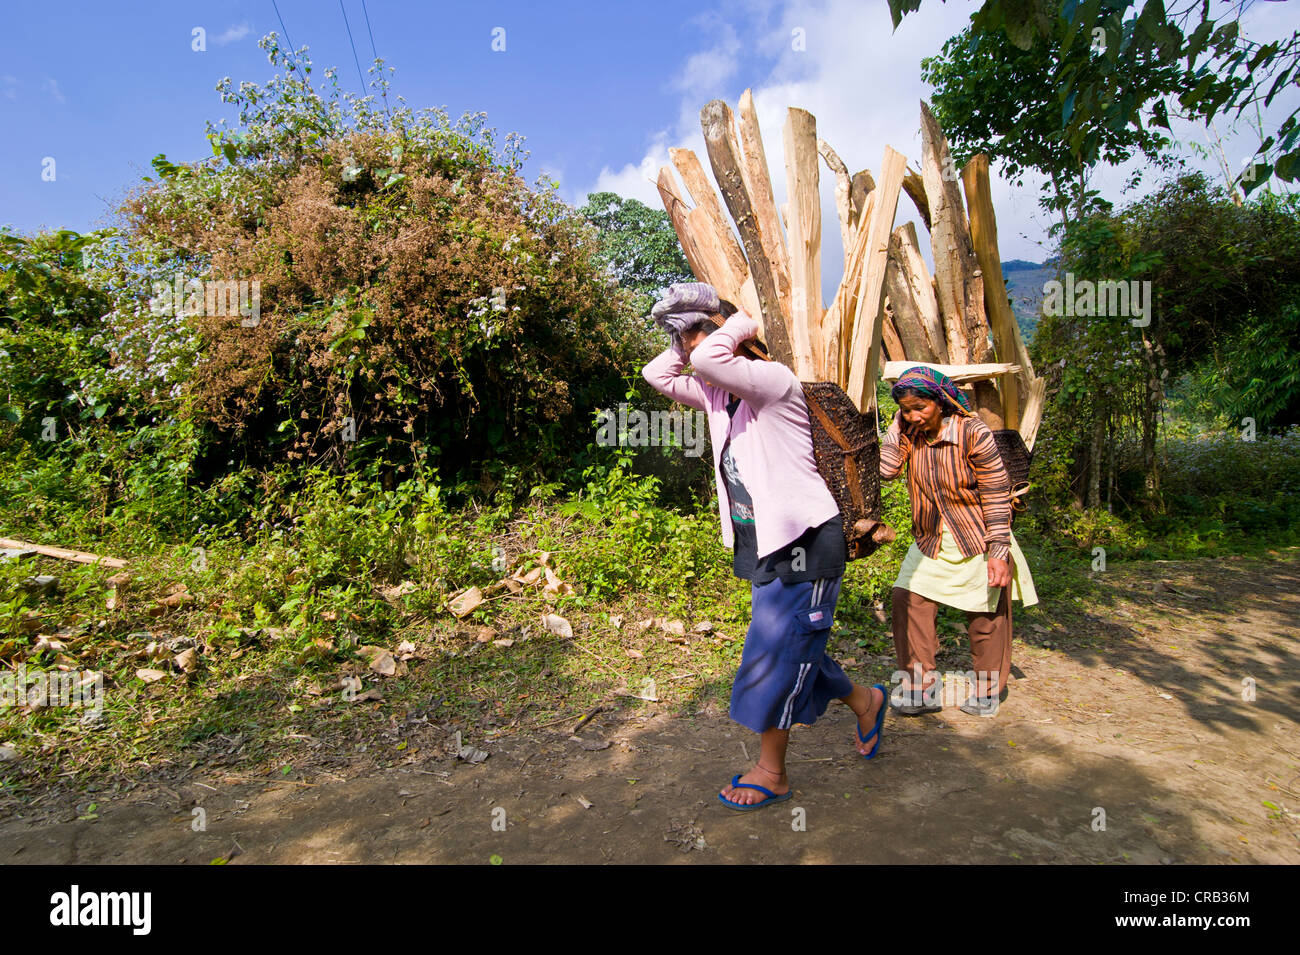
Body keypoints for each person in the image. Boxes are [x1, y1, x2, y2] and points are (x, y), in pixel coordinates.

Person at [642, 282, 886, 811]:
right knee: (793, 642)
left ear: (731, 341)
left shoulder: (776, 383)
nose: (690, 349)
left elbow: (709, 356)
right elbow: (656, 374)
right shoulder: (716, 396)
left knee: (775, 652)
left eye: (696, 336)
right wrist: (682, 335)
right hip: (762, 544)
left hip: (806, 539)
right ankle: (866, 701)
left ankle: (771, 771)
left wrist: (735, 319)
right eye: (684, 339)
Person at [880, 365, 1038, 717]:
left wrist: (998, 551)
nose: (915, 415)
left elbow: (997, 493)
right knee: (907, 600)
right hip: (930, 538)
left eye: (920, 407)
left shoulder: (972, 432)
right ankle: (920, 688)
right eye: (907, 409)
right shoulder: (910, 431)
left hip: (977, 535)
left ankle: (988, 690)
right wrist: (896, 426)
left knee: (985, 615)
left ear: (942, 402)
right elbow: (886, 470)